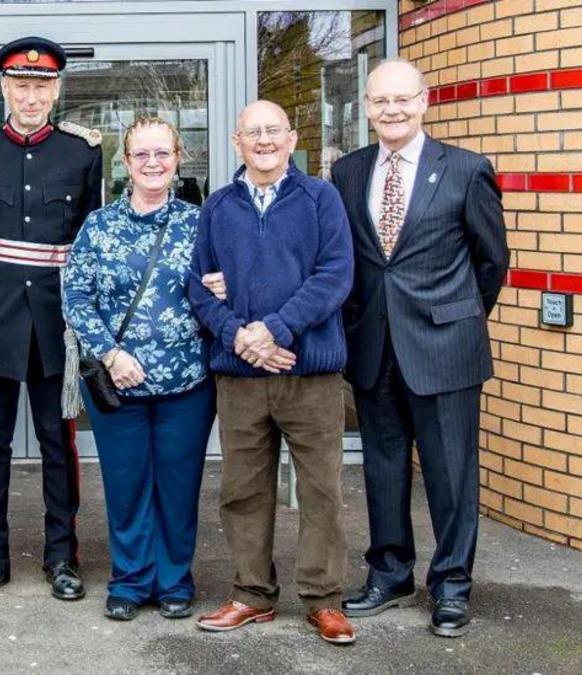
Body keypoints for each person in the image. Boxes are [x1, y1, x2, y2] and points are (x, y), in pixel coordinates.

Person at [331, 58, 508, 638]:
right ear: (367, 107)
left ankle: (452, 585)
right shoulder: (349, 171)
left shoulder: (465, 169)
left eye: (403, 99)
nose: (392, 110)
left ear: (424, 101)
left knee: (450, 474)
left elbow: (492, 262)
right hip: (374, 346)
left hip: (445, 347)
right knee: (383, 469)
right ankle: (389, 572)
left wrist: (456, 319)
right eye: (381, 101)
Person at [187, 100, 357, 645]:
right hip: (239, 376)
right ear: (237, 142)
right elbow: (198, 286)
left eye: (272, 131)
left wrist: (275, 331)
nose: (262, 140)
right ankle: (251, 594)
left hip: (310, 375)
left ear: (291, 137)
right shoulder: (217, 207)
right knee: (242, 490)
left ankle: (323, 599)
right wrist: (241, 337)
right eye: (252, 133)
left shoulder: (320, 198)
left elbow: (335, 276)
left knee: (320, 491)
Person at [0, 36, 103, 604]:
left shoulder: (83, 153)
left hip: (54, 321)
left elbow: (87, 243)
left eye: (41, 86)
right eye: (21, 85)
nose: (31, 95)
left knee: (57, 443)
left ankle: (63, 555)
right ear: (4, 87)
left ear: (56, 90)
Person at [62, 117, 216, 622]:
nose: (153, 163)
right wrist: (110, 352)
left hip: (186, 383)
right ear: (126, 163)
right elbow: (75, 294)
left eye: (162, 154)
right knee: (126, 486)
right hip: (118, 382)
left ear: (178, 159)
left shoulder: (201, 223)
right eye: (142, 155)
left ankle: (174, 580)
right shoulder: (99, 226)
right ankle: (130, 580)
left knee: (178, 485)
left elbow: (222, 284)